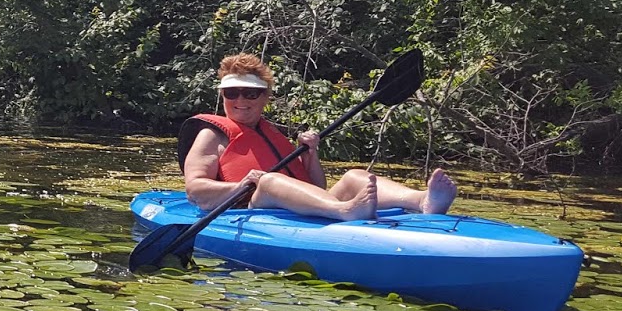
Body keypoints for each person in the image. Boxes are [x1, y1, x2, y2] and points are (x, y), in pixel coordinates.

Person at [181, 52, 456, 221]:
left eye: (250, 93)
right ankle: (344, 212)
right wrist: (240, 185)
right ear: (223, 96)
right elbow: (195, 191)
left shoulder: (271, 133)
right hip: (249, 210)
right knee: (269, 180)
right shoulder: (211, 135)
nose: (240, 100)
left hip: (295, 209)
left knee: (354, 177)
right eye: (231, 93)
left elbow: (314, 186)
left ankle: (421, 201)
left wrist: (311, 154)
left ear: (265, 96)